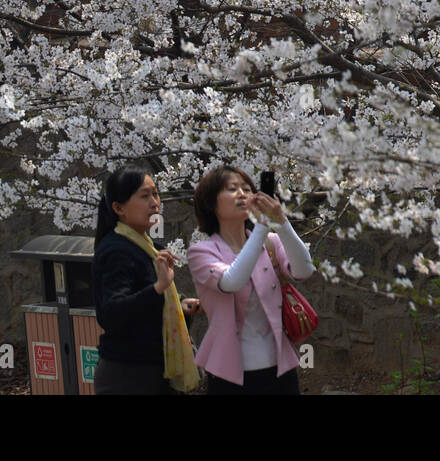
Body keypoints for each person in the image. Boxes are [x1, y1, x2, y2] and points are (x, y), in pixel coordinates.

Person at [187, 166, 316, 395]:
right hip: (230, 375)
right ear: (210, 203)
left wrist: (282, 223)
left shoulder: (270, 242)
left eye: (247, 189)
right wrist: (261, 228)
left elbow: (304, 270)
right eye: (231, 189)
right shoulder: (201, 252)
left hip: (280, 370)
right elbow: (231, 282)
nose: (242, 194)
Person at [91, 162, 201, 394]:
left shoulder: (145, 246)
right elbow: (112, 313)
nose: (154, 202)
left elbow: (148, 303)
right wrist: (159, 287)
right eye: (144, 196)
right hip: (128, 375)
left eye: (155, 194)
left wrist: (179, 304)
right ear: (119, 208)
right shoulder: (116, 251)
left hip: (151, 370)